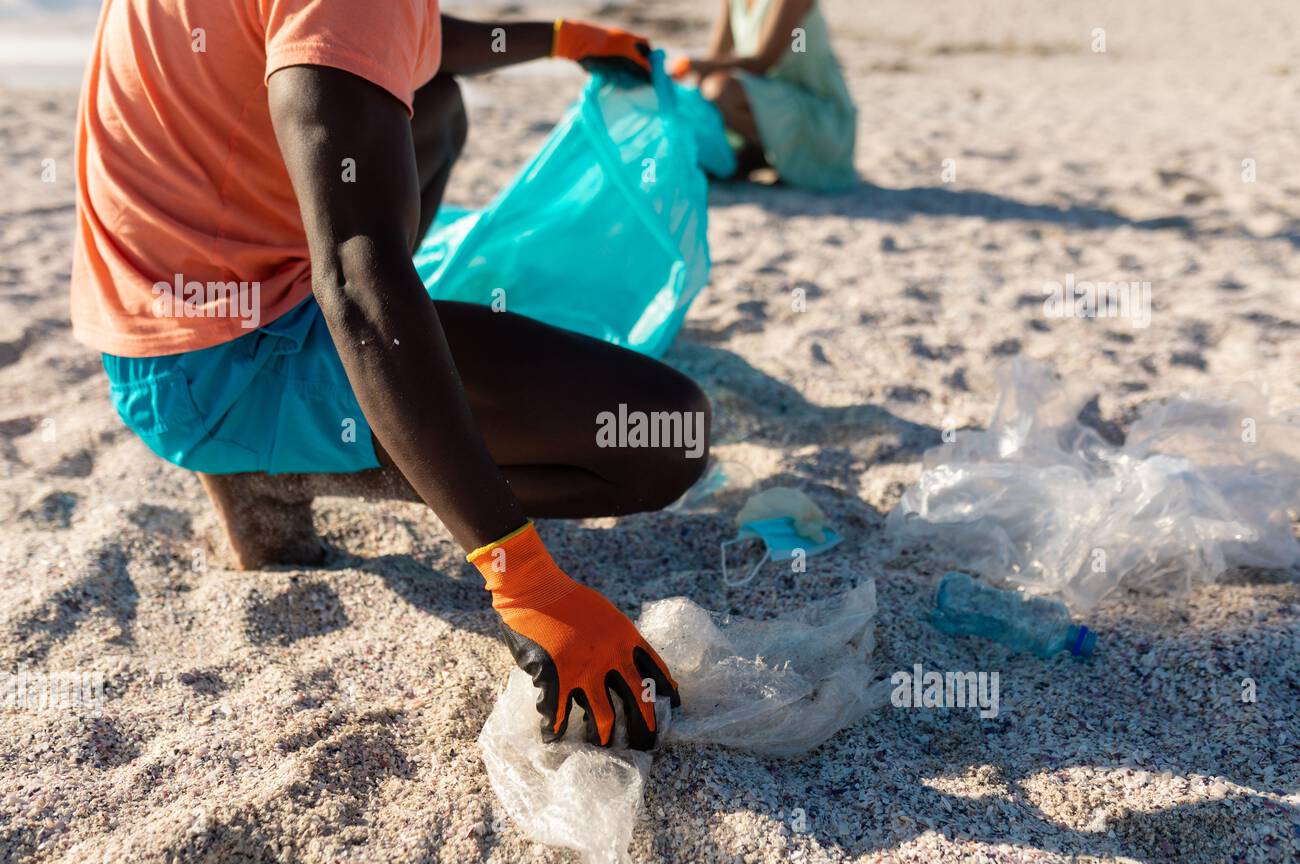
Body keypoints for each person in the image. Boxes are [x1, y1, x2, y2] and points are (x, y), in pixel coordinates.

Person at [71, 1, 712, 750]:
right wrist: (524, 579)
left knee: (431, 102)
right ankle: (272, 468)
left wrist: (565, 40)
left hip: (154, 325)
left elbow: (399, 39)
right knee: (666, 434)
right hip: (221, 366)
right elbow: (353, 276)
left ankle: (315, 432)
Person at [671, 0, 856, 192]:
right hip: (773, 99)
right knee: (703, 94)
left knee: (721, 89)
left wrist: (692, 65)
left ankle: (777, 156)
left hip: (820, 114)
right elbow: (716, 57)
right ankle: (757, 153)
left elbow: (763, 61)